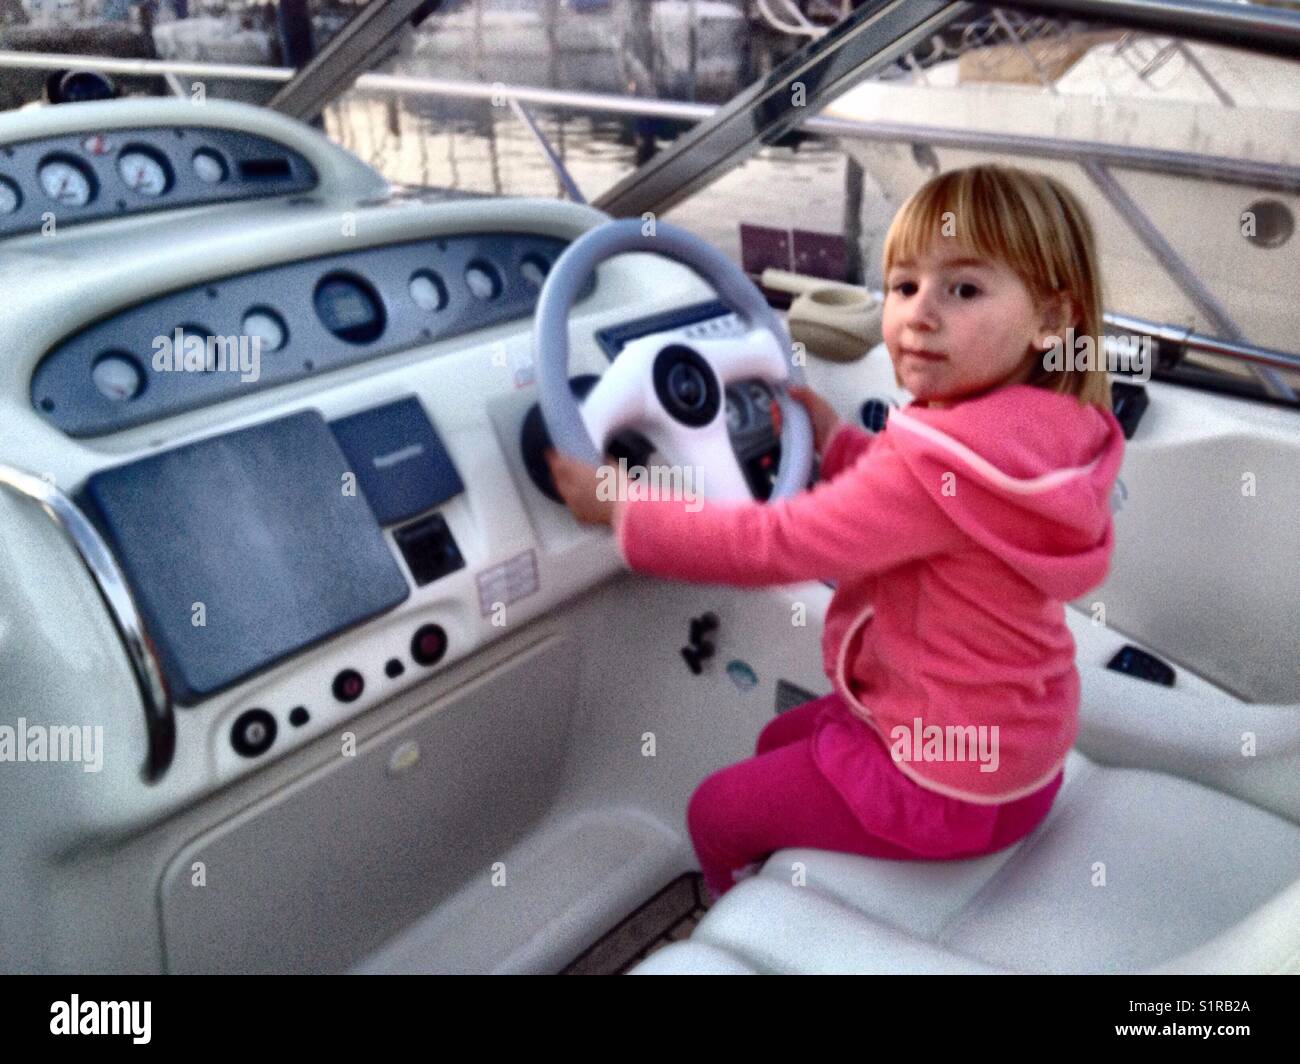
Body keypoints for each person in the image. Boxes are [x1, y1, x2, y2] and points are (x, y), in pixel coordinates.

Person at [545, 164, 1126, 903]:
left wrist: (628, 510)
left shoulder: (936, 465)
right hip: (1021, 764)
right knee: (775, 740)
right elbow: (929, 510)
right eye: (904, 286)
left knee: (713, 812)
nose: (919, 314)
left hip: (944, 786)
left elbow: (774, 545)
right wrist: (837, 443)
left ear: (1051, 318)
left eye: (963, 290)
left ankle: (739, 913)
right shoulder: (1056, 437)